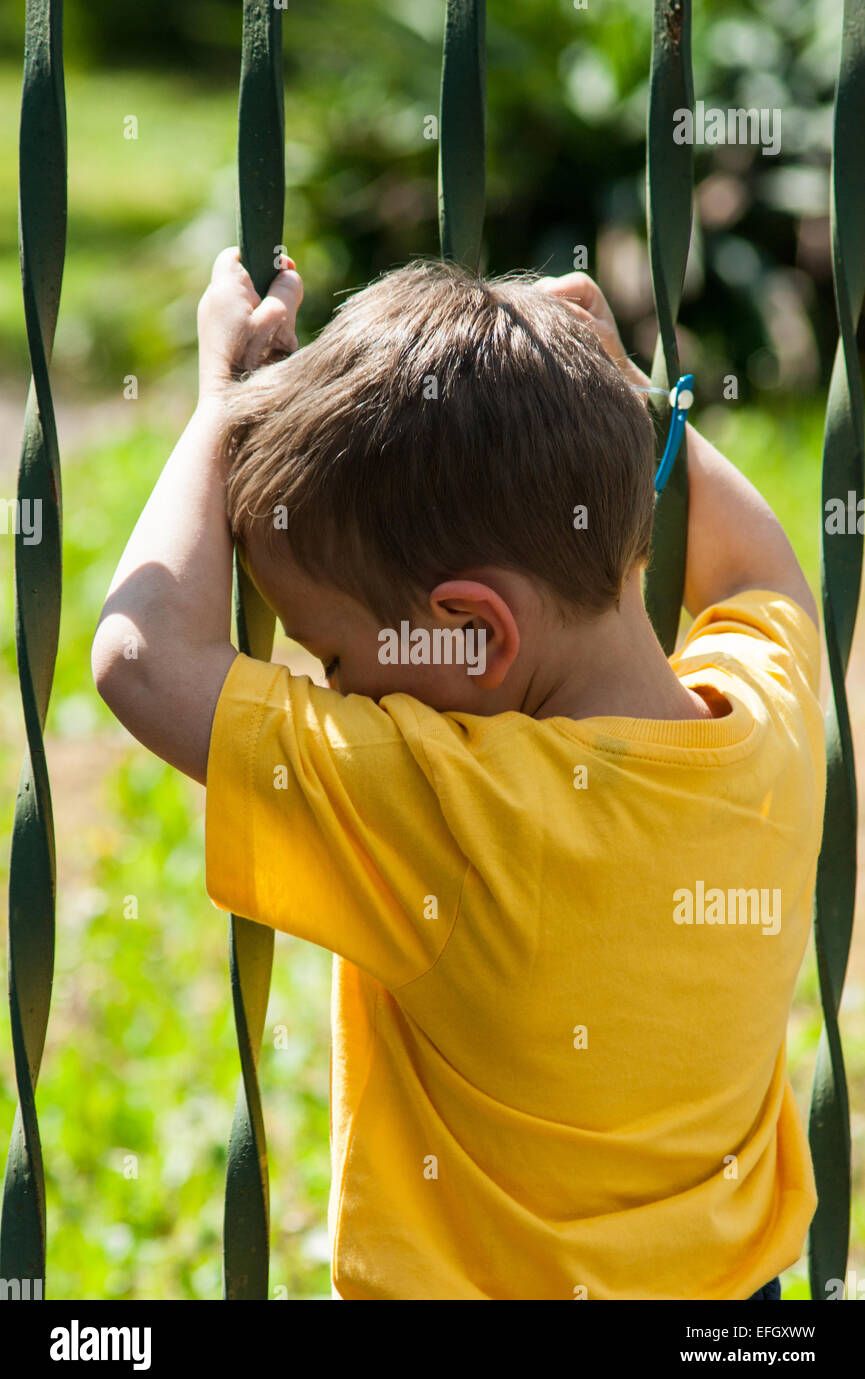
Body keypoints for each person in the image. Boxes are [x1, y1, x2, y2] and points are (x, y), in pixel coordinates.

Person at [92, 247, 825, 1300]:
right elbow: (763, 574)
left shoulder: (453, 809)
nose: (330, 690)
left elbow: (140, 660)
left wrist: (216, 404)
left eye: (335, 659)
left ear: (471, 635)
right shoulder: (767, 724)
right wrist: (636, 404)